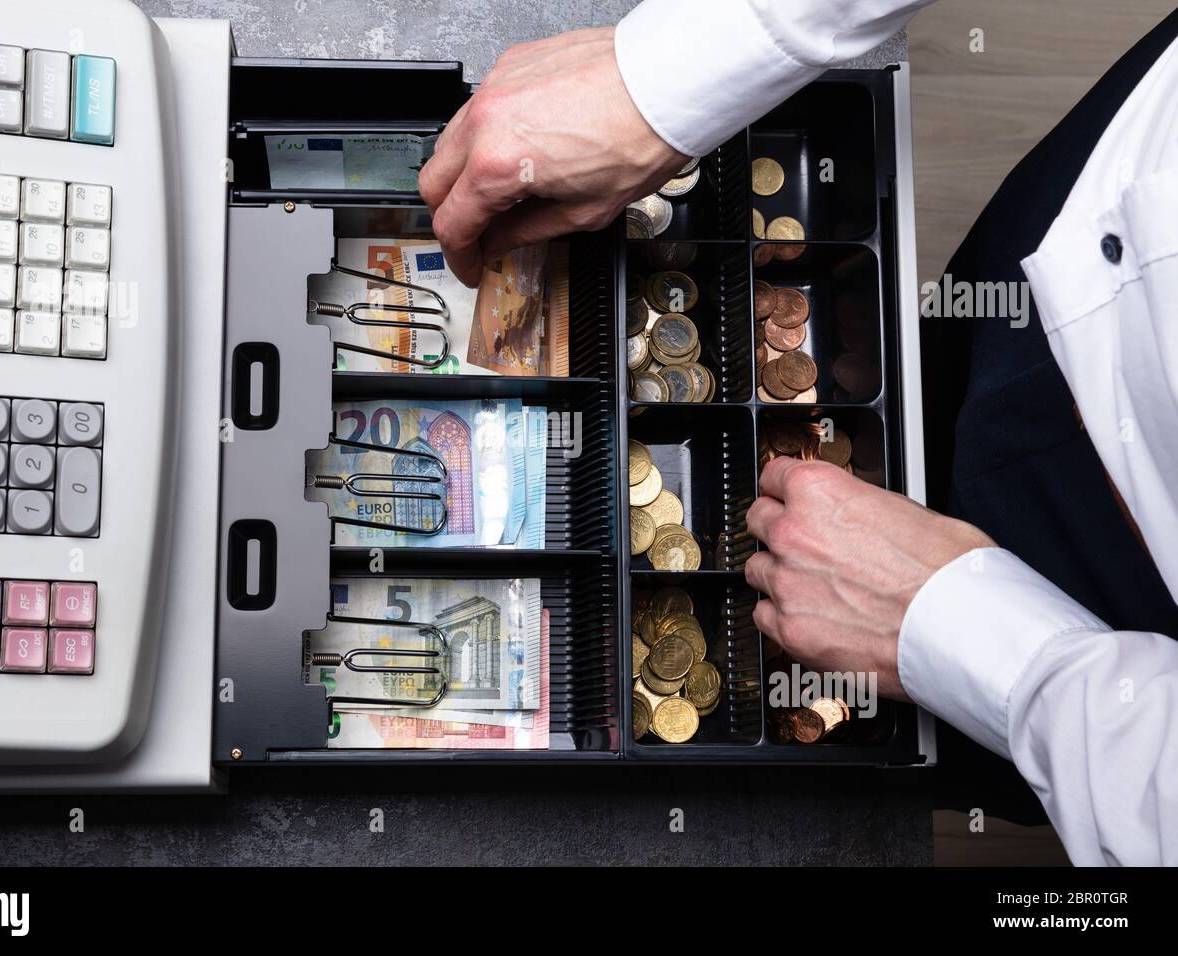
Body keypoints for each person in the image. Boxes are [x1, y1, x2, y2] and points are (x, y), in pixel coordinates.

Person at [419, 0, 1178, 866]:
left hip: (1117, 602)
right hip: (1127, 182)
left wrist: (978, 641)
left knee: (953, 742)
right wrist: (683, 66)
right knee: (950, 348)